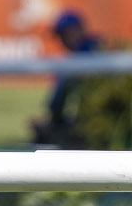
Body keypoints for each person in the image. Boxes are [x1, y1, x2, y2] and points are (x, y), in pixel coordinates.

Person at [31, 9, 101, 147]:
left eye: (63, 35)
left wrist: (51, 122)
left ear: (77, 30)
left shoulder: (80, 58)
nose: (60, 41)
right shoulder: (97, 47)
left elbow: (56, 104)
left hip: (99, 126)